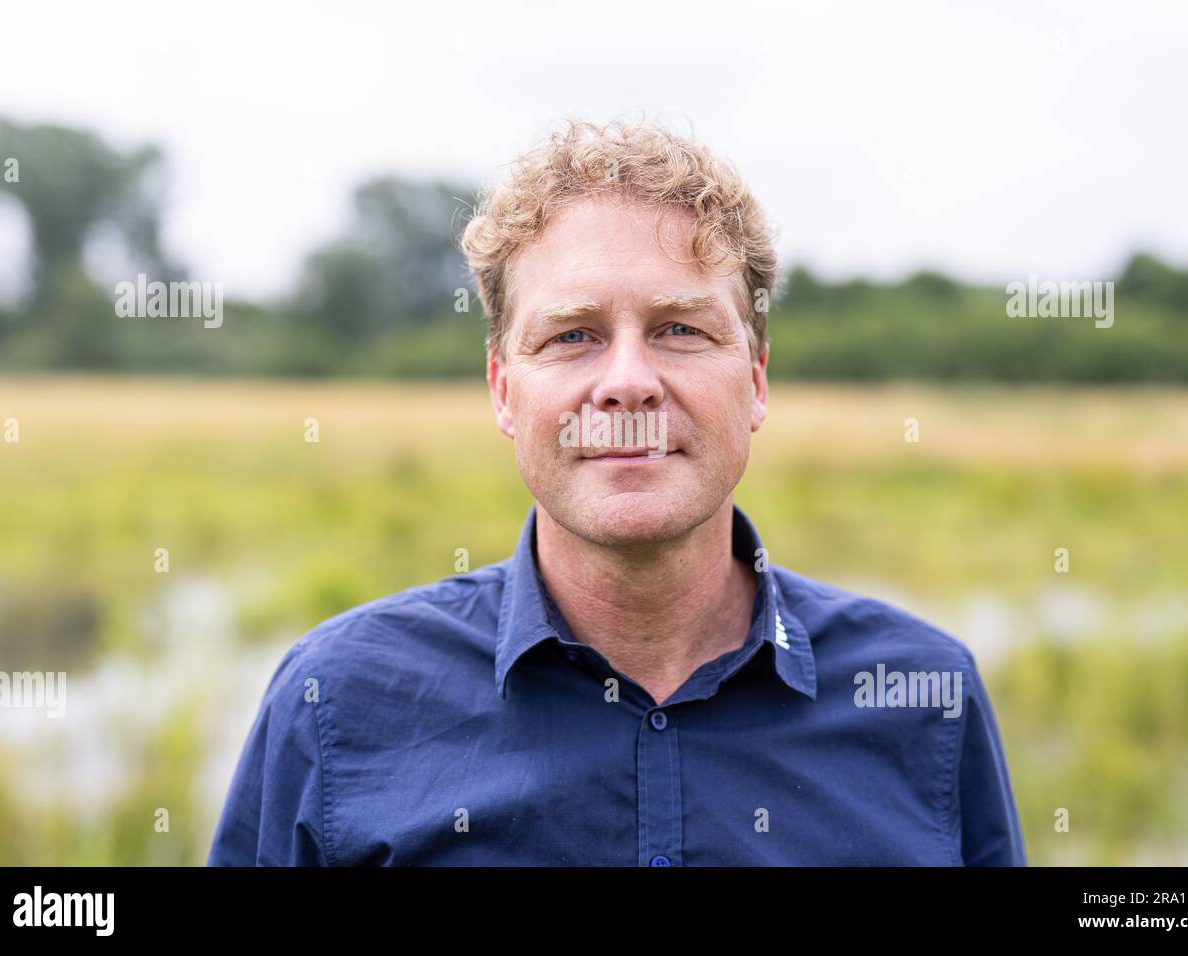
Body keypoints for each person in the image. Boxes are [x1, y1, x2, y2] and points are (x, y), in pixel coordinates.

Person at [208, 115, 1026, 866]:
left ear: (756, 377)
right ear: (502, 388)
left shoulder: (924, 697)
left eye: (680, 329)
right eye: (572, 335)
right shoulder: (337, 702)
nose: (628, 383)